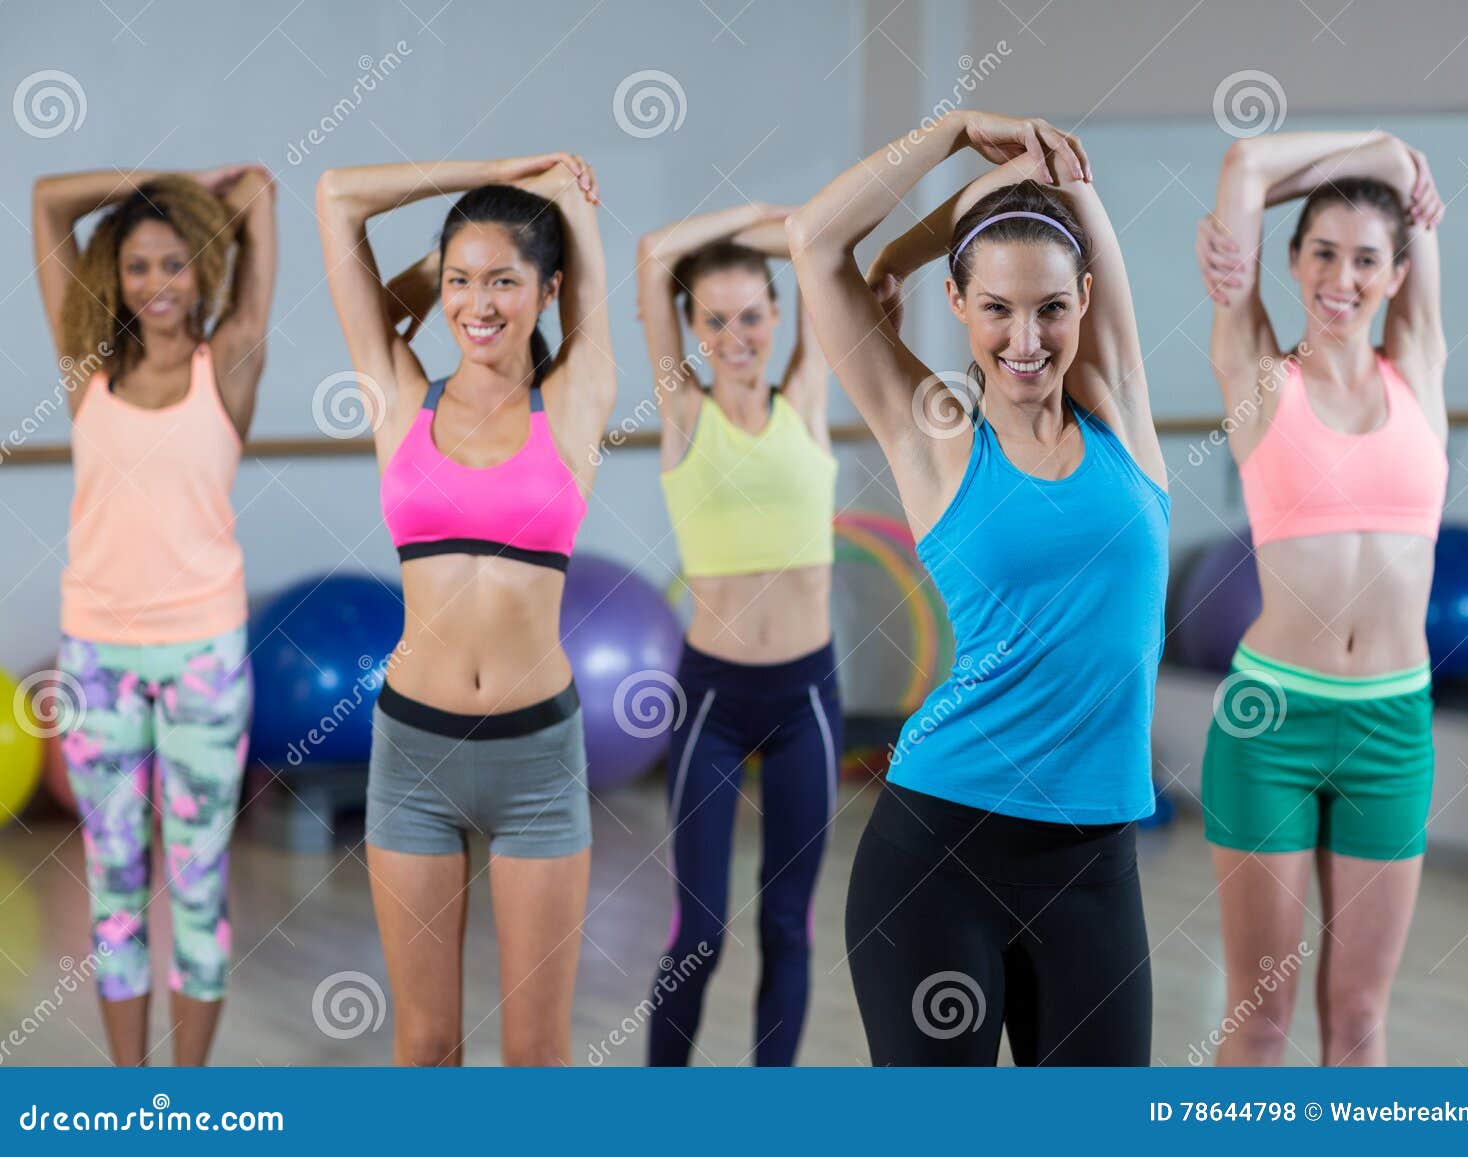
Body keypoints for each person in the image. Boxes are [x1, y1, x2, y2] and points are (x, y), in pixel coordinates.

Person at [788, 110, 1169, 1065]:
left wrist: (947, 232)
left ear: (1086, 298)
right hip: (939, 853)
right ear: (959, 305)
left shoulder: (1120, 406)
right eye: (996, 306)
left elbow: (1060, 177)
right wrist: (953, 130)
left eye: (1050, 306)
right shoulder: (934, 434)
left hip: (1095, 865)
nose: (1028, 337)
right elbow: (815, 240)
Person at [316, 152, 614, 1065]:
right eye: (457, 279)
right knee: (428, 1042)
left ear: (548, 289)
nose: (477, 303)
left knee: (536, 1052)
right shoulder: (397, 395)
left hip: (537, 761)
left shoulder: (572, 399)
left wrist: (562, 193)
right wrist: (499, 169)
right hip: (413, 752)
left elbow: (584, 257)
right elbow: (337, 196)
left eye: (504, 281)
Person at [1195, 129, 1447, 1066]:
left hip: (1392, 723)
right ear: (1290, 260)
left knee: (1359, 1020)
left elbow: (1414, 192)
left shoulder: (1418, 364)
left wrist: (1397, 157)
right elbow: (1244, 167)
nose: (1343, 277)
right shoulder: (1258, 374)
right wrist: (1380, 145)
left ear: (1396, 274)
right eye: (1323, 252)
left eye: (1367, 259)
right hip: (1271, 721)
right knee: (1261, 1019)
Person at [33, 162, 277, 1065]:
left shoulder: (233, 361)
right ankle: (130, 1097)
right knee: (114, 885)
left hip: (204, 655)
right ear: (114, 275)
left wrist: (197, 199)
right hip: (96, 651)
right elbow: (49, 201)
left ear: (202, 266)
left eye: (175, 262)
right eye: (138, 265)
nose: (157, 284)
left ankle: (190, 1102)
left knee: (200, 883)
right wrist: (154, 184)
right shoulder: (84, 367)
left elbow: (258, 194)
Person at [635, 203, 839, 1065]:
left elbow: (826, 251)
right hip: (714, 700)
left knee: (789, 924)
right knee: (702, 929)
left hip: (808, 701)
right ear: (689, 328)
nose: (736, 333)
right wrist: (761, 218)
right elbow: (653, 248)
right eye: (714, 319)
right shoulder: (686, 416)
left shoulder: (808, 399)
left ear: (779, 315)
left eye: (752, 313)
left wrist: (789, 239)